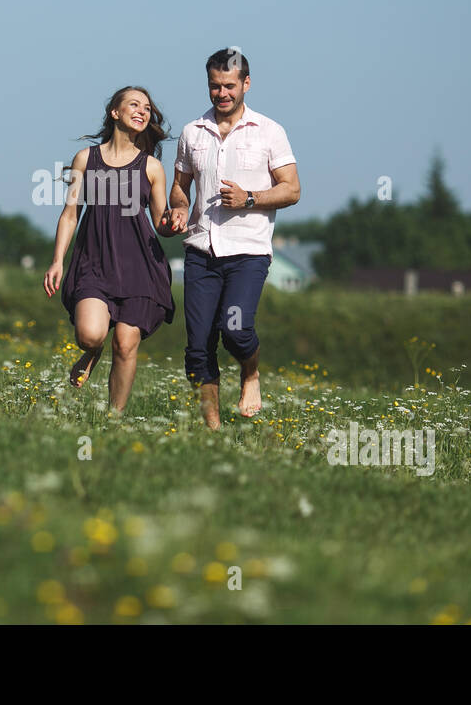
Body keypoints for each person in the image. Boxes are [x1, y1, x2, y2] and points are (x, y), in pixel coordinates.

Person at [166, 49, 301, 430]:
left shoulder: (270, 131)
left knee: (236, 328)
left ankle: (251, 373)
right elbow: (180, 187)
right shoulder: (193, 132)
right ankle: (213, 431)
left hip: (247, 253)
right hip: (200, 250)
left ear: (246, 84)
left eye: (229, 85)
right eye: (214, 86)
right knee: (198, 345)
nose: (221, 93)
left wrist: (250, 199)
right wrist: (177, 207)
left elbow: (291, 190)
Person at [44, 86, 181, 414]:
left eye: (147, 108)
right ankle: (92, 353)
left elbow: (160, 221)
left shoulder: (152, 167)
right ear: (114, 112)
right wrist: (57, 261)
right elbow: (70, 214)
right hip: (94, 262)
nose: (142, 111)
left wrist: (173, 221)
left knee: (125, 342)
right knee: (90, 335)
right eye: (134, 105)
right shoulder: (85, 159)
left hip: (140, 267)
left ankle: (113, 419)